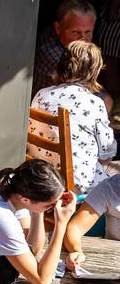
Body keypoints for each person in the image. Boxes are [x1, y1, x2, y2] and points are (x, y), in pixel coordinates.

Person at [29, 40, 116, 192]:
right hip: (74, 185)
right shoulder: (93, 103)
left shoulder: (41, 94)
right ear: (94, 72)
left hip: (40, 178)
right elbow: (106, 152)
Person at [32, 0, 97, 95]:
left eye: (88, 32)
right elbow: (90, 94)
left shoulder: (58, 36)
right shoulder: (54, 54)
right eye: (75, 32)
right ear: (58, 28)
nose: (83, 38)